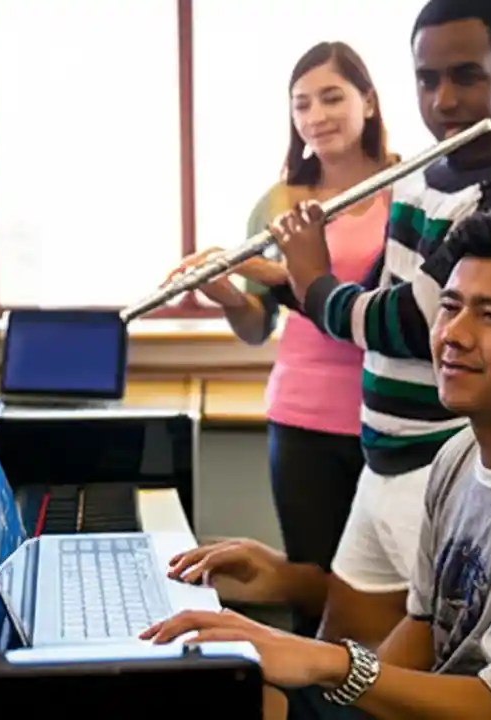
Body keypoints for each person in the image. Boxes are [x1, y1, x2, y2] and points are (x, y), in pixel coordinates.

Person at [144, 209, 491, 720]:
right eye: (449, 306)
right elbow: (426, 628)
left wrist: (329, 662)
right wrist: (308, 680)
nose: (452, 335)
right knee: (230, 691)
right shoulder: (457, 455)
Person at [169, 0, 491, 648]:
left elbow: (421, 323)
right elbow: (376, 294)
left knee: (429, 659)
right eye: (427, 78)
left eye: (467, 76)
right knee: (342, 654)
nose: (444, 99)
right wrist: (280, 282)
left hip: (443, 457)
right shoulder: (426, 175)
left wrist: (309, 276)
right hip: (381, 452)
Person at [165, 41, 398, 637]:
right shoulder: (276, 202)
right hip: (301, 419)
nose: (316, 116)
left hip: (390, 415)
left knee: (390, 591)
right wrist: (224, 293)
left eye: (331, 97)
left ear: (367, 102)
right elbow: (256, 325)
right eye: (301, 105)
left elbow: (383, 306)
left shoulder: (408, 188)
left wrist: (282, 274)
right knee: (309, 584)